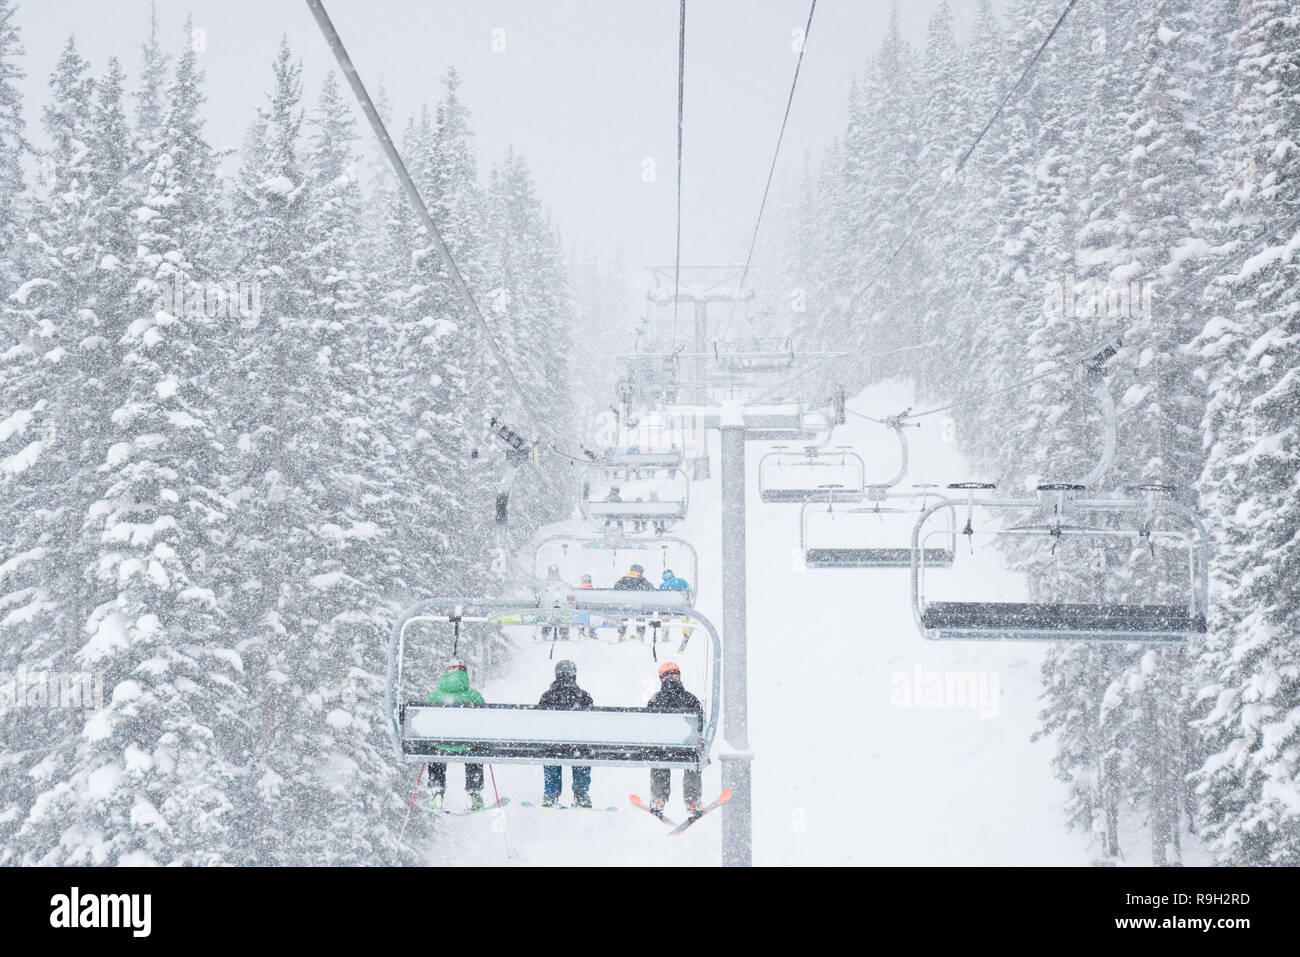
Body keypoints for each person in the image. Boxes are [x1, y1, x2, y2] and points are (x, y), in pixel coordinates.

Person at [426, 659, 486, 810]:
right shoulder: (474, 696)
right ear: (464, 673)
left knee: (435, 754)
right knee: (475, 753)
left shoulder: (433, 696)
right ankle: (474, 793)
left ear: (445, 673)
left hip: (441, 744)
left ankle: (437, 792)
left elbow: (424, 722)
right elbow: (486, 721)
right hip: (467, 745)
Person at [647, 661, 704, 815]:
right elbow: (699, 725)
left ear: (662, 679)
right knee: (694, 760)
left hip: (663, 749)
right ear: (678, 676)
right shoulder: (691, 698)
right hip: (687, 749)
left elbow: (648, 726)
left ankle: (659, 797)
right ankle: (692, 801)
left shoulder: (655, 699)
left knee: (659, 758)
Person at [537, 660, 594, 807]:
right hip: (577, 745)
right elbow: (592, 722)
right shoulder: (583, 696)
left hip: (554, 744)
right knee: (582, 754)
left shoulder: (547, 696)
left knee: (551, 755)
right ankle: (581, 794)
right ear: (574, 675)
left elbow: (539, 721)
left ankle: (551, 794)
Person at [614, 563, 655, 641]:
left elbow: (616, 586)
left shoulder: (624, 579)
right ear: (639, 571)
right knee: (641, 617)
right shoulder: (641, 579)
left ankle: (621, 634)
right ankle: (640, 636)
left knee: (623, 616)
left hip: (625, 605)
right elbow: (651, 588)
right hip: (638, 605)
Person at [659, 568, 695, 650]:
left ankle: (665, 634)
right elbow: (690, 592)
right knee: (685, 617)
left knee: (665, 617)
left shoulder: (662, 585)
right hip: (681, 609)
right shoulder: (681, 581)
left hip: (667, 610)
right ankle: (686, 635)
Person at [541, 565, 571, 642]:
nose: (553, 576)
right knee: (549, 620)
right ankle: (546, 635)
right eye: (552, 573)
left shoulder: (562, 584)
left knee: (561, 619)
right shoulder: (545, 584)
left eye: (555, 573)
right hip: (549, 607)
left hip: (559, 607)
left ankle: (563, 635)